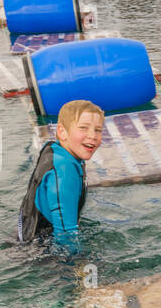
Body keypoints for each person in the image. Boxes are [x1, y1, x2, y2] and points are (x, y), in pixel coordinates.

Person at [17, 100, 104, 253]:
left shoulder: (55, 150)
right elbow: (65, 234)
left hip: (24, 242)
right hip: (44, 255)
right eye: (83, 128)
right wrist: (78, 265)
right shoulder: (64, 171)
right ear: (62, 132)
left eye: (98, 130)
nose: (93, 136)